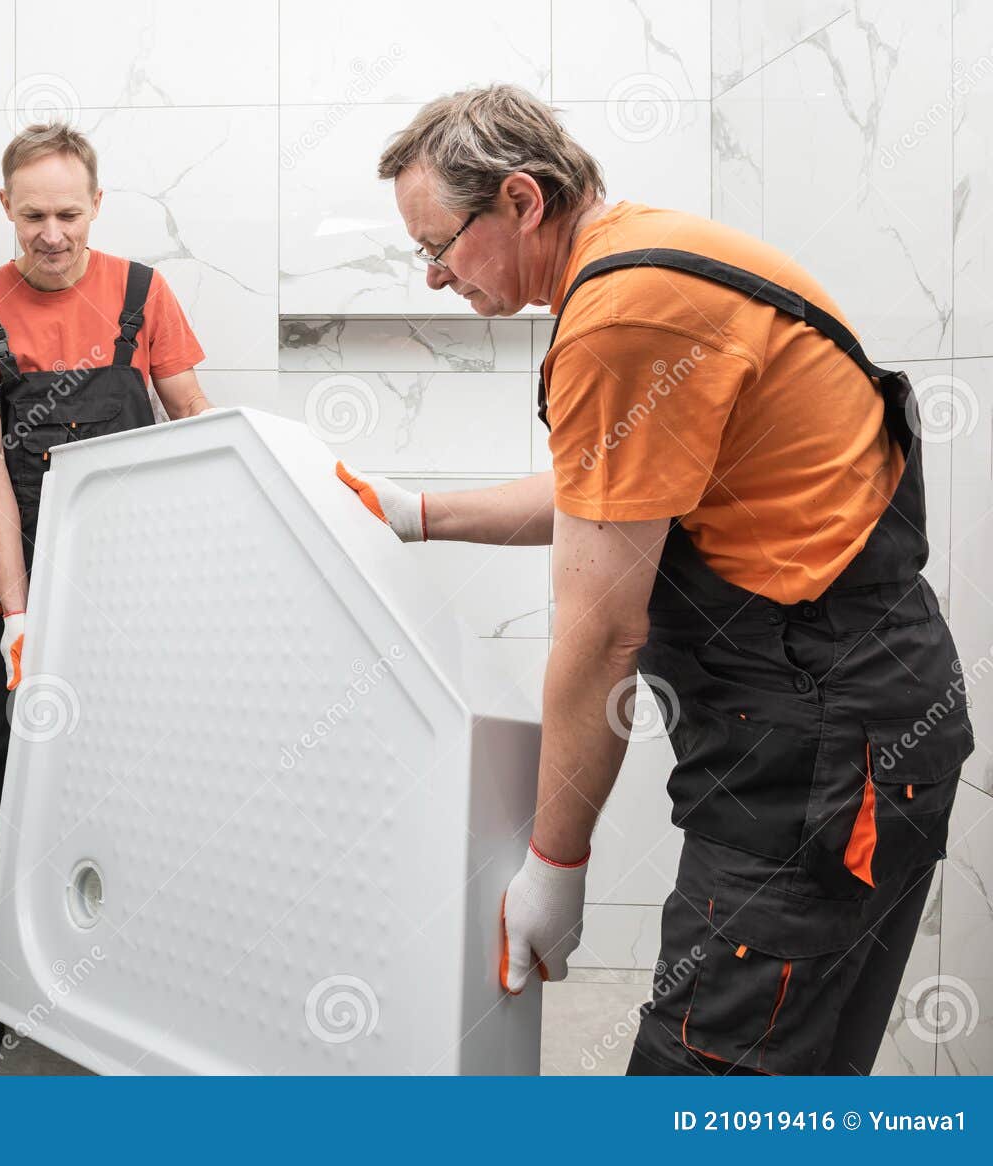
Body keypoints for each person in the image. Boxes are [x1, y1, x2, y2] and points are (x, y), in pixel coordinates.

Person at [340, 84, 972, 1075]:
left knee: (706, 1074)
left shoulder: (620, 316)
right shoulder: (644, 256)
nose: (430, 278)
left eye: (438, 246)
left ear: (519, 200)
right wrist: (416, 513)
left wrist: (555, 858)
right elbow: (618, 490)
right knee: (797, 1078)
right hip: (861, 721)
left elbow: (599, 634)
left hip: (819, 756)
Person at [0, 122, 212, 1066]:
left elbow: (193, 428)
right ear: (4, 209)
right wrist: (17, 615)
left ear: (96, 205)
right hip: (1, 587)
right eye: (31, 215)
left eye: (68, 213)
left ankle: (123, 978)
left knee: (124, 782)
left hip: (124, 589)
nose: (51, 234)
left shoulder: (143, 293)